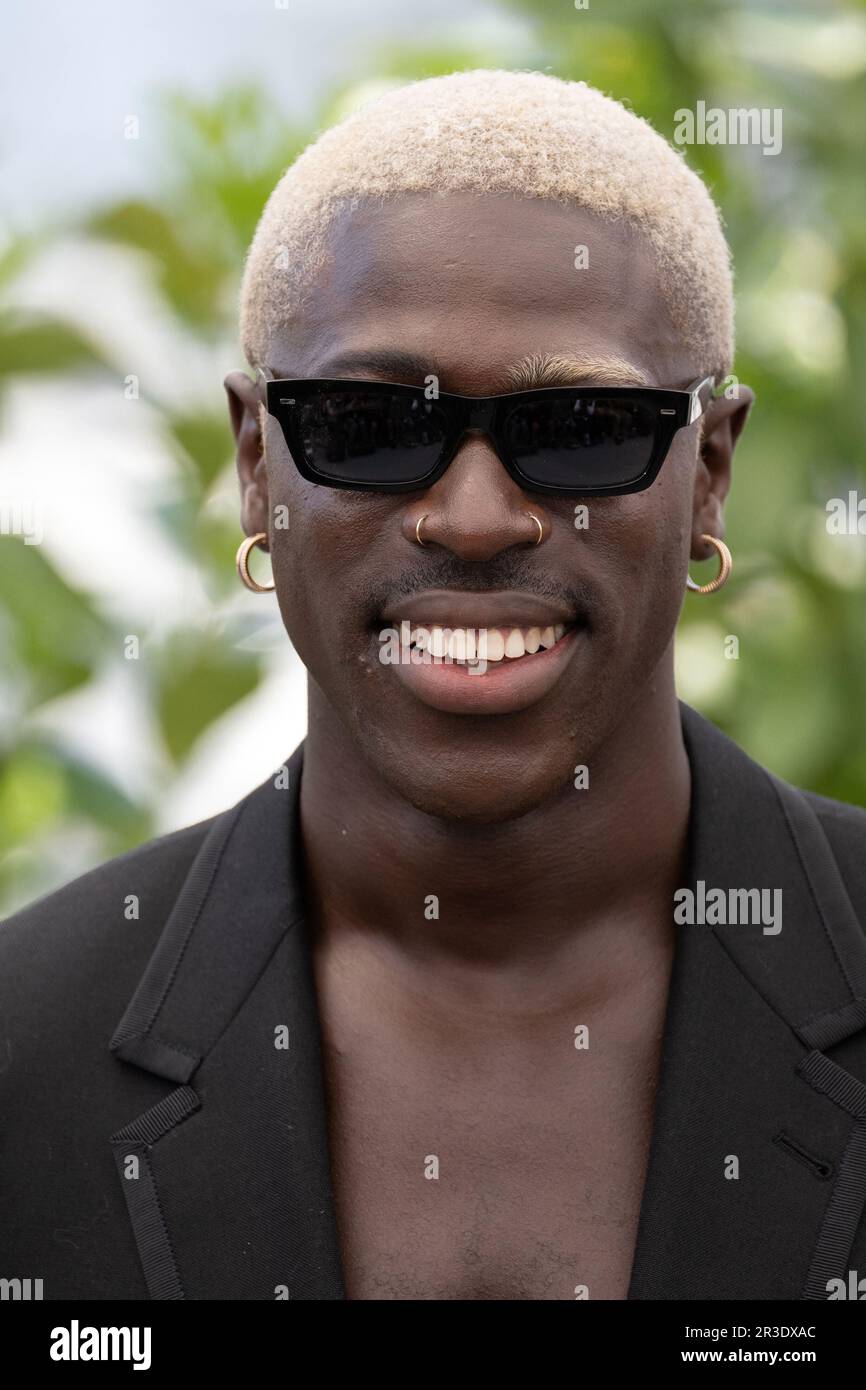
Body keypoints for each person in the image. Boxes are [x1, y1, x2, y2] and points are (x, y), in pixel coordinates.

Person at [3, 69, 866, 1303]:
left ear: (709, 475)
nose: (472, 517)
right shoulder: (24, 1050)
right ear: (257, 470)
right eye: (367, 426)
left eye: (577, 425)